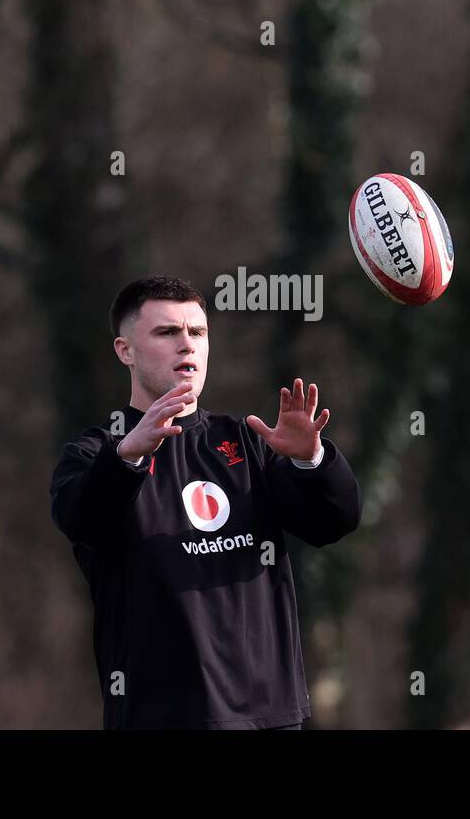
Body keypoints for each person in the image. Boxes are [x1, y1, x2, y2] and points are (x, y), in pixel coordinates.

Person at [49, 275, 362, 729]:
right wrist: (129, 455)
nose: (186, 345)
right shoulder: (96, 455)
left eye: (197, 332)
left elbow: (334, 522)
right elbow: (83, 521)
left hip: (269, 718)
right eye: (166, 333)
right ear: (125, 351)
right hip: (161, 719)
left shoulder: (248, 442)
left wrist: (311, 459)